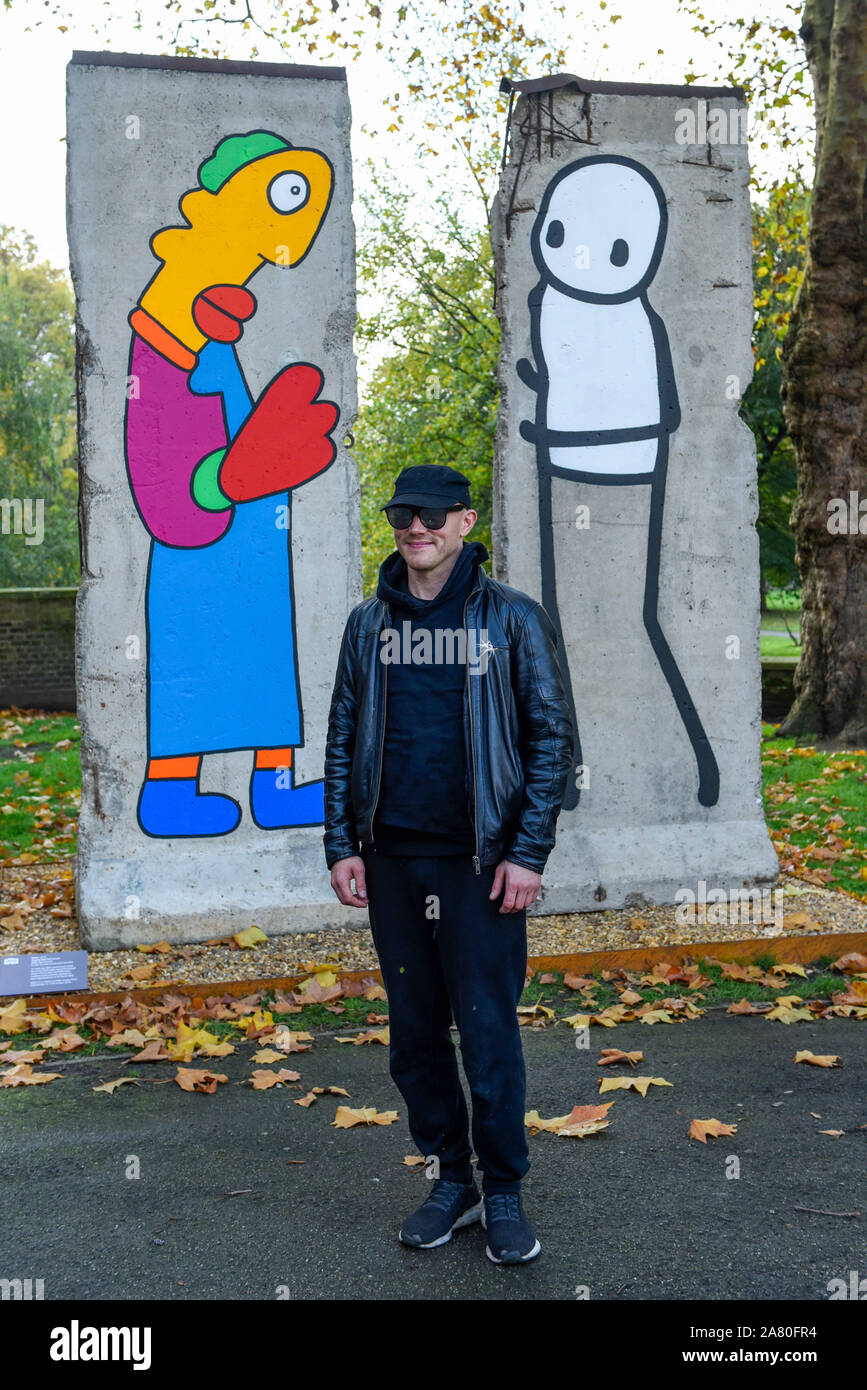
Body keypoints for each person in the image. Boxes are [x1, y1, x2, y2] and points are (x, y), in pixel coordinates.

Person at [323, 463, 574, 1264]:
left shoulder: (510, 619)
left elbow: (552, 743)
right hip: (391, 859)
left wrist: (527, 851)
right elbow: (339, 740)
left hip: (481, 866)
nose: (416, 526)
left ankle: (503, 1190)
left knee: (488, 1032)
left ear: (465, 522)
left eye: (433, 514)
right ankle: (452, 1179)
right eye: (403, 512)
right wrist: (339, 844)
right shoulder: (367, 624)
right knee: (413, 1038)